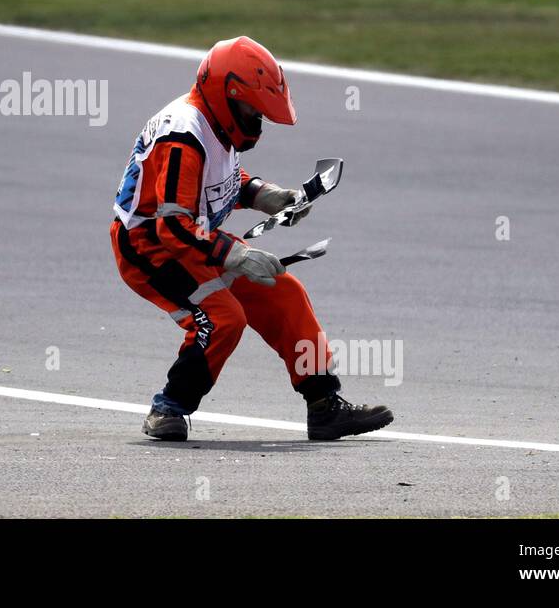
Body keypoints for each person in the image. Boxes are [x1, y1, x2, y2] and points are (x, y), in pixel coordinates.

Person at [111, 36, 392, 441]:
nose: (257, 122)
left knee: (285, 292)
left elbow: (217, 182)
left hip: (192, 235)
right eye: (252, 110)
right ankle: (167, 407)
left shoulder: (212, 123)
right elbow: (170, 227)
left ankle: (324, 405)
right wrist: (237, 254)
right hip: (148, 246)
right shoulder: (183, 137)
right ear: (227, 95)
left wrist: (266, 195)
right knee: (224, 318)